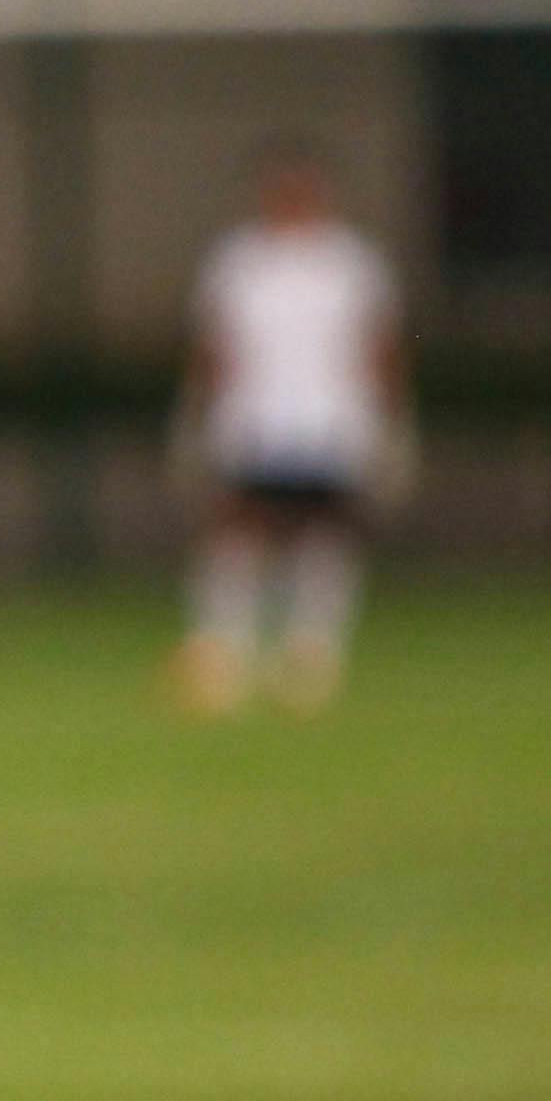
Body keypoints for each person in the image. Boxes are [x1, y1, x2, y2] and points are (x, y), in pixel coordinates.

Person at [166, 144, 412, 717]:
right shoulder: (240, 260)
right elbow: (215, 345)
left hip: (332, 421)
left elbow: (379, 347)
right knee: (236, 532)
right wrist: (196, 414)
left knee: (326, 533)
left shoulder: (352, 263)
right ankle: (223, 651)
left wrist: (392, 420)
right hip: (254, 419)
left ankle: (312, 653)